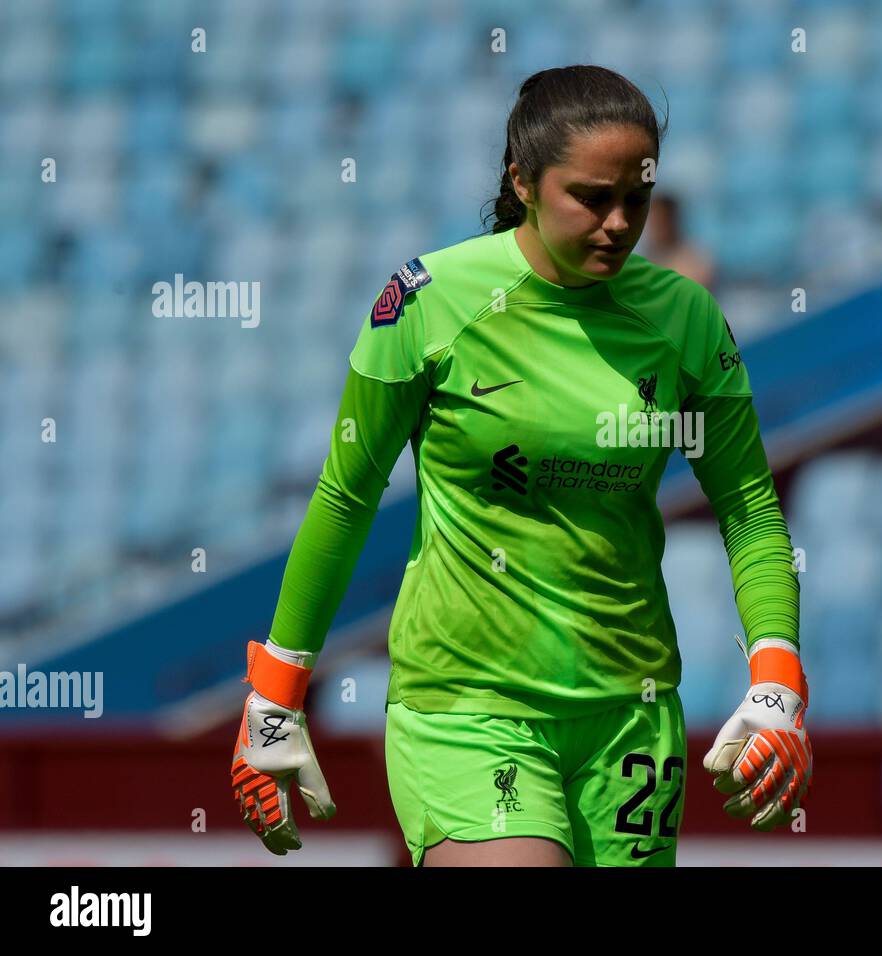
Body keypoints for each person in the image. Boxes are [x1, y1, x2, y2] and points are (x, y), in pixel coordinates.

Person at [229, 65, 811, 867]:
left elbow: (747, 506)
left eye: (635, 201)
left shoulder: (684, 318)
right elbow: (345, 497)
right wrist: (276, 694)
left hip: (631, 716)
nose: (616, 223)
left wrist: (778, 677)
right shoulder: (428, 301)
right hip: (467, 708)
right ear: (523, 182)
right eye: (591, 198)